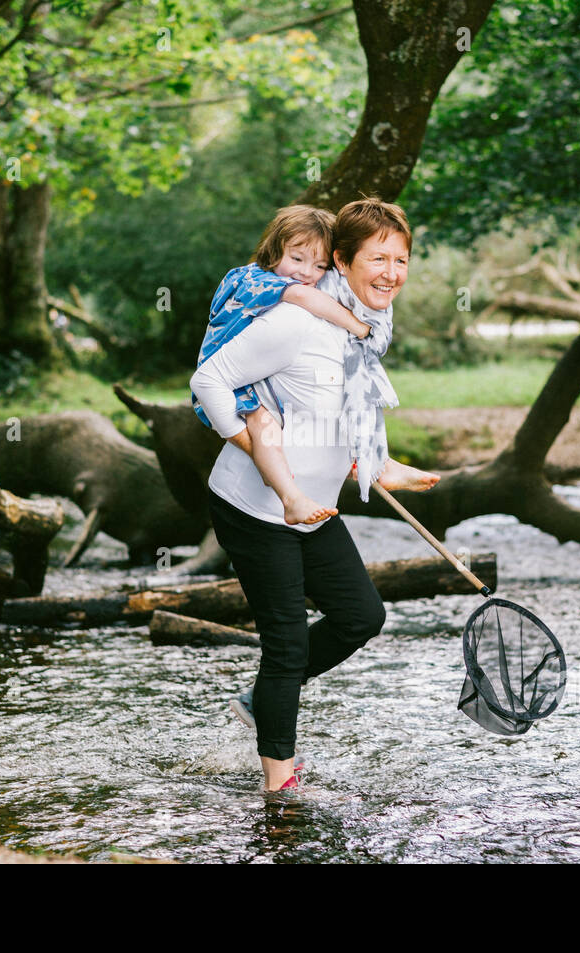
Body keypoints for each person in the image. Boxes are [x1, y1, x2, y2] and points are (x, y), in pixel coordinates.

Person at [189, 197, 439, 792]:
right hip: (255, 507)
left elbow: (335, 421)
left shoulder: (364, 334)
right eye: (377, 258)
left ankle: (259, 703)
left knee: (361, 615)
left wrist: (380, 466)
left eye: (401, 259)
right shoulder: (296, 321)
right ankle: (279, 783)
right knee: (287, 641)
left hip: (312, 507)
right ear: (343, 263)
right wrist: (249, 442)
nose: (391, 272)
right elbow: (209, 379)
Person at [189, 205, 372, 526]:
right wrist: (361, 327)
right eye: (297, 258)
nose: (305, 272)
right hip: (231, 383)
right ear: (274, 250)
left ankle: (371, 463)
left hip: (245, 375)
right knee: (266, 427)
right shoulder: (258, 280)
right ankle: (291, 498)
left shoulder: (260, 280)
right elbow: (308, 299)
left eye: (319, 265)